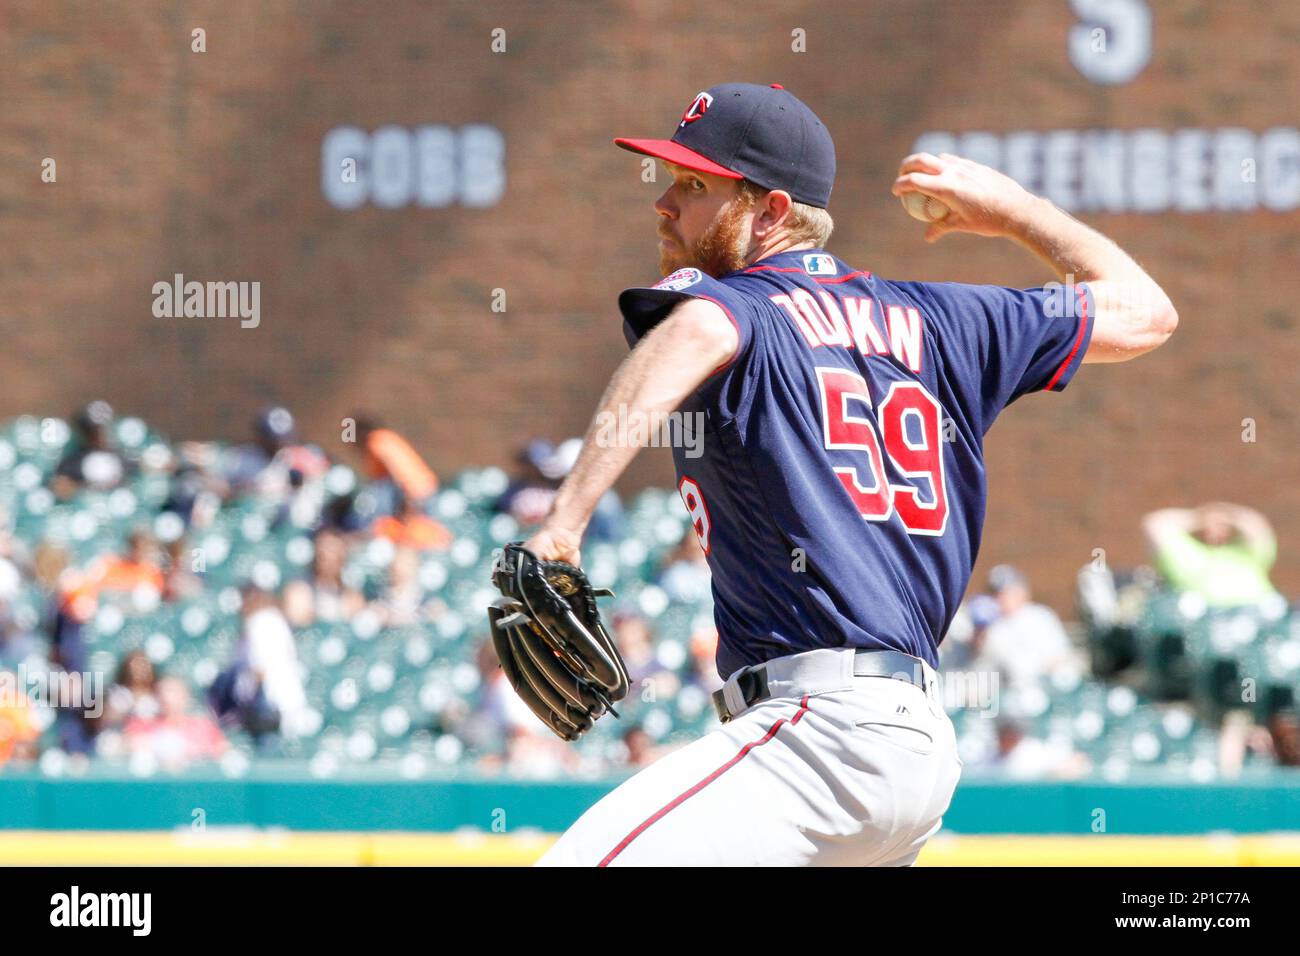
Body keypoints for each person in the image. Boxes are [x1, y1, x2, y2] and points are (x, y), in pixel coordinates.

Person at [523, 83, 1176, 866]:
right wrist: (1015, 213)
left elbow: (696, 328)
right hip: (916, 747)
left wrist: (564, 524)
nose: (664, 203)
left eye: (696, 186)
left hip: (816, 735)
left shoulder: (737, 305)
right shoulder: (947, 321)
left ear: (768, 212)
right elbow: (1146, 313)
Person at [1141, 503, 1282, 609]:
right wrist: (1201, 517)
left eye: (1222, 525)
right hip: (1209, 619)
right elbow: (1155, 523)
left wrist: (1225, 514)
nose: (1217, 529)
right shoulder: (1188, 554)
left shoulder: (1248, 554)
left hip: (1260, 613)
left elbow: (1257, 526)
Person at [975, 565, 1077, 690]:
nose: (999, 598)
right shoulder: (990, 626)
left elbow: (1061, 657)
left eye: (1005, 592)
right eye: (994, 594)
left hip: (1043, 688)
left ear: (1021, 591)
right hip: (1006, 694)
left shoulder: (1040, 616)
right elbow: (981, 666)